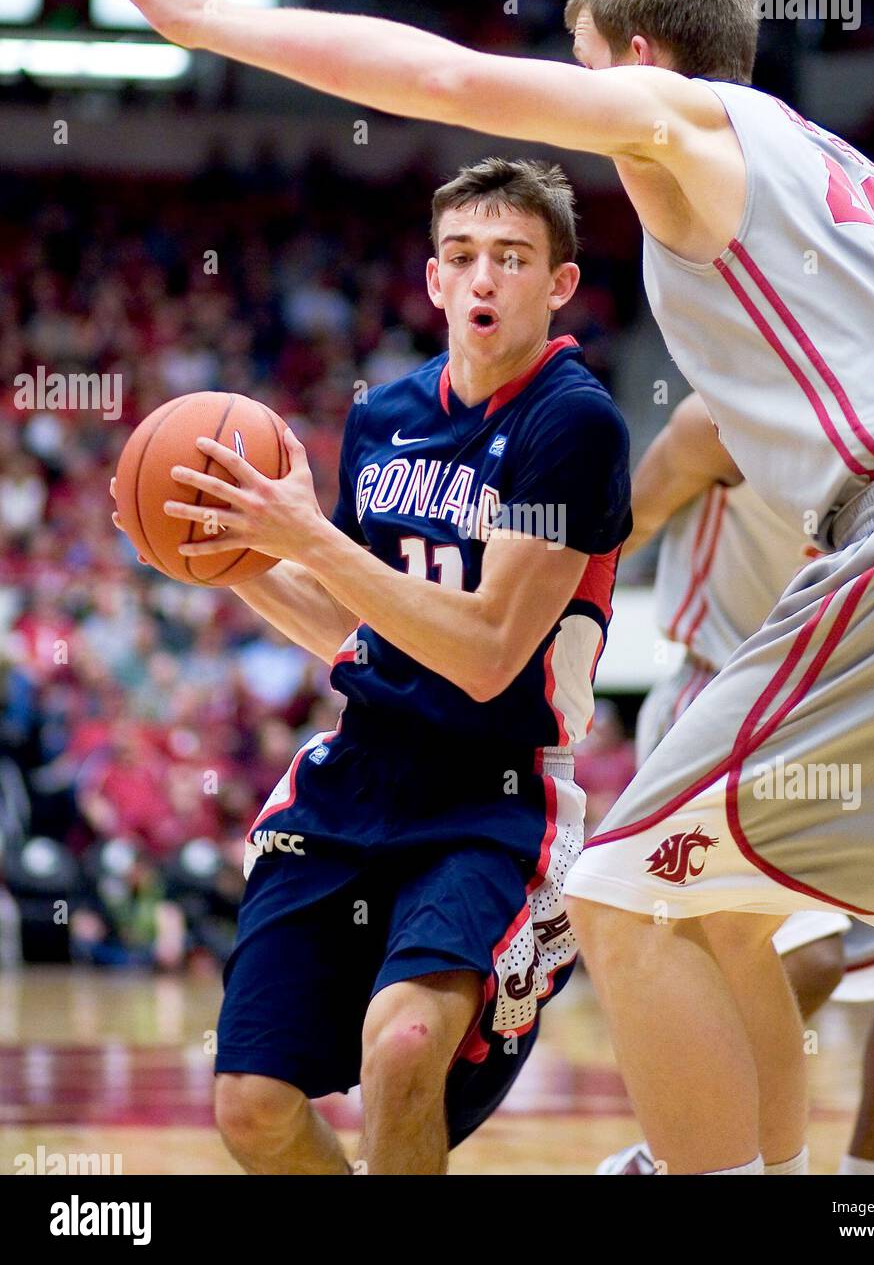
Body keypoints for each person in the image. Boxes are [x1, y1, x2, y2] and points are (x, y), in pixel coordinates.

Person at [85, 0, 874, 1175]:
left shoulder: (685, 122)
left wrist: (215, 24)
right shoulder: (842, 173)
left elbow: (445, 80)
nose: (584, 106)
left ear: (635, 58)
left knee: (620, 892)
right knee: (723, 912)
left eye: (586, 71)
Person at [112, 158, 632, 1174]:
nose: (483, 280)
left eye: (511, 259)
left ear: (556, 285)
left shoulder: (571, 424)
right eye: (462, 257)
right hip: (358, 776)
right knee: (253, 1104)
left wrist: (304, 536)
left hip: (493, 794)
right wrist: (227, 554)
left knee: (401, 1046)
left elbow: (486, 654)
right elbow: (357, 629)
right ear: (433, 281)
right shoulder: (384, 416)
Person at [598, 338, 874, 1171]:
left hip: (846, 710)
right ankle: (680, 1149)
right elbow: (619, 528)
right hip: (726, 698)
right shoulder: (715, 424)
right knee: (808, 955)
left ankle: (866, 1193)